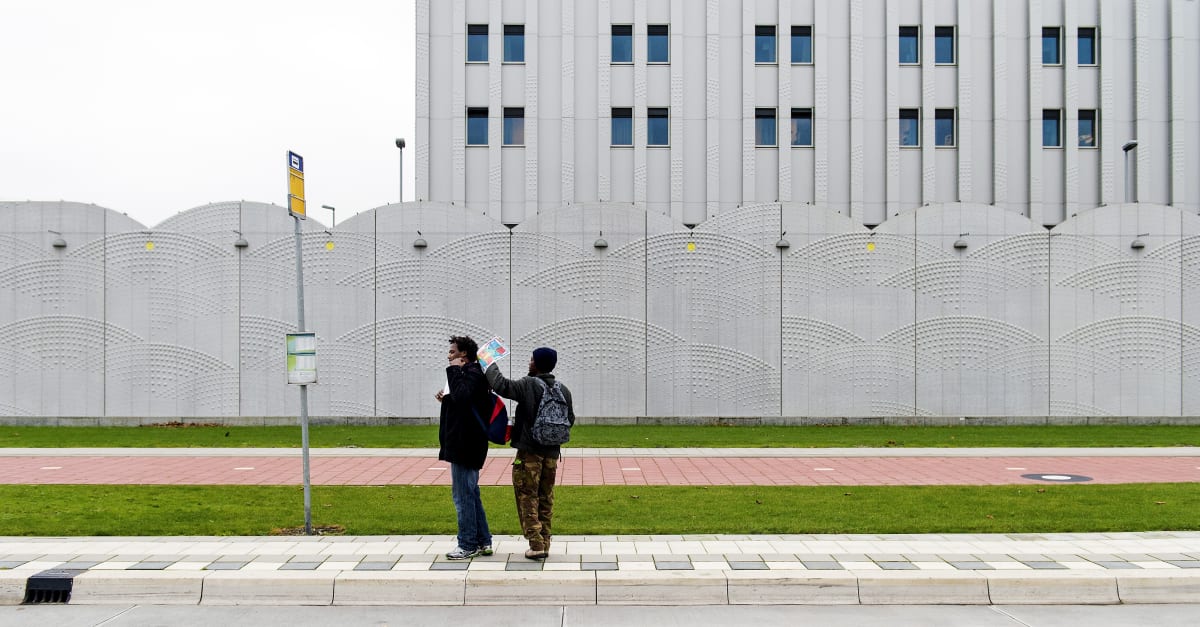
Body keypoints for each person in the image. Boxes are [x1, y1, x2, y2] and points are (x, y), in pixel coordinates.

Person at [484, 346, 575, 560]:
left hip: (529, 452)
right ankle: (545, 542)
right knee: (546, 497)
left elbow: (501, 385)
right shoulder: (564, 389)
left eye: (531, 359)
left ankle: (536, 544)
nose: (529, 362)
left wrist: (488, 362)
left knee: (527, 495)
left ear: (537, 363)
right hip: (552, 453)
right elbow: (569, 419)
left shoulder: (529, 385)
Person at [434, 335, 493, 560]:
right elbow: (461, 402)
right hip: (466, 441)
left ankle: (467, 544)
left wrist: (454, 371)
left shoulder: (472, 373)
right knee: (471, 493)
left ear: (463, 355)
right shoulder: (471, 374)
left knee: (462, 496)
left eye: (452, 352)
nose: (448, 356)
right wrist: (445, 398)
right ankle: (483, 540)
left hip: (466, 443)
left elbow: (463, 396)